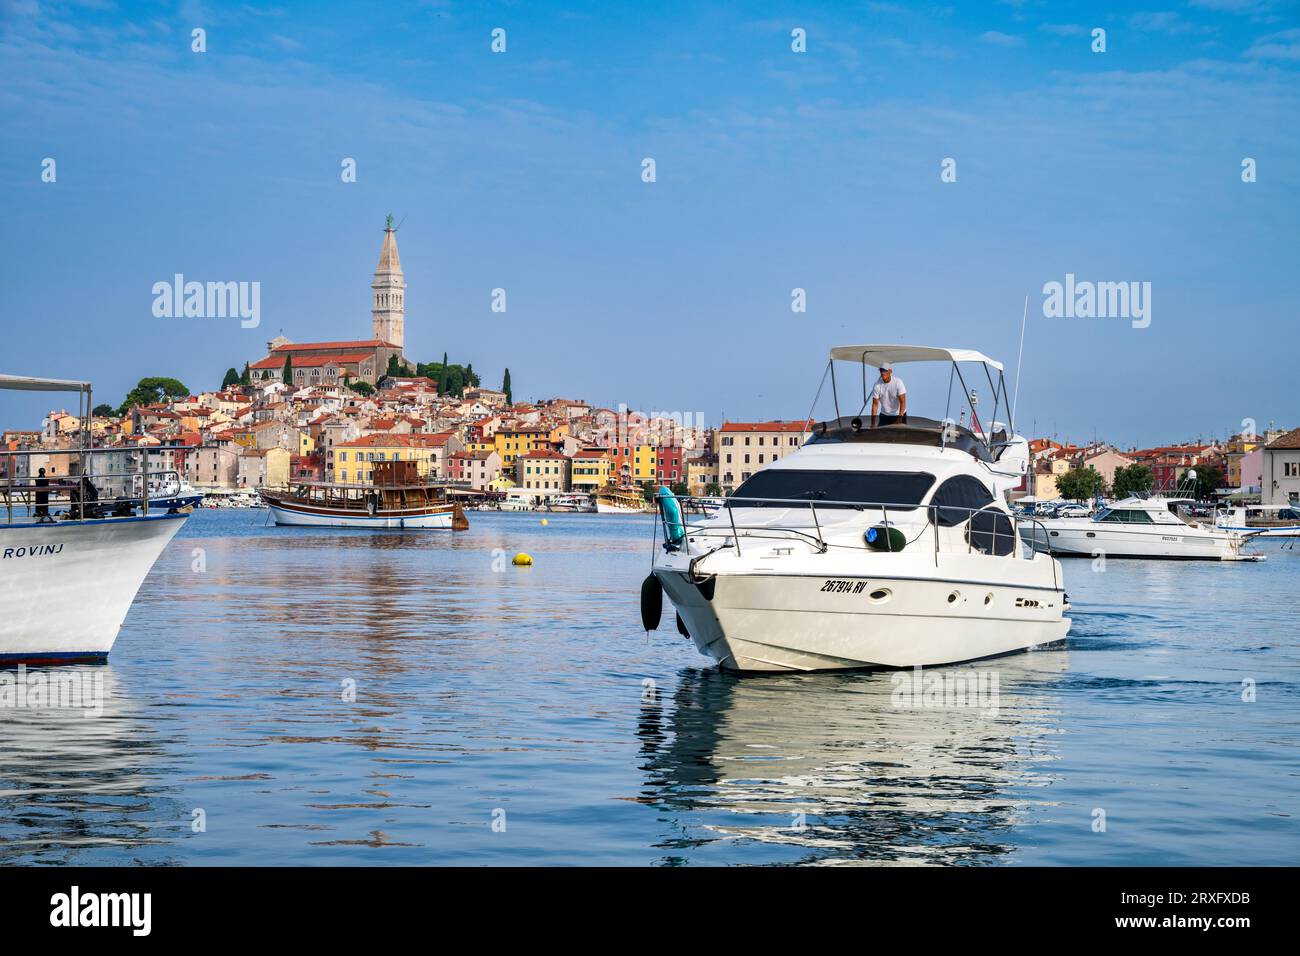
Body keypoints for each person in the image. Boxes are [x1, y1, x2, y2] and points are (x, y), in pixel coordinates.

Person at [870, 363, 908, 427]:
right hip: (884, 415)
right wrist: (872, 424)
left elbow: (903, 402)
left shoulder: (898, 382)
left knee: (900, 436)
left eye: (884, 370)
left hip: (899, 414)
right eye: (881, 370)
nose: (882, 373)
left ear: (890, 371)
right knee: (881, 436)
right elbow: (875, 405)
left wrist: (900, 418)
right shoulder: (877, 385)